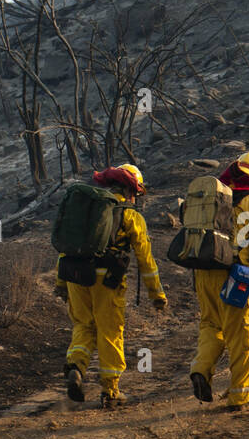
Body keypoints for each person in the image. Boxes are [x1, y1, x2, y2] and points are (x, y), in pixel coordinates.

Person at [55, 163, 167, 408]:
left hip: (75, 274)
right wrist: (156, 294)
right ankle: (110, 391)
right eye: (136, 193)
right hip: (107, 280)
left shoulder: (88, 209)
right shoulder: (131, 216)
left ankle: (75, 366)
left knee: (84, 326)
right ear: (130, 190)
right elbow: (145, 260)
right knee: (110, 332)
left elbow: (68, 245)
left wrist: (60, 282)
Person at [189, 151, 249, 411]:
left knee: (211, 324)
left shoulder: (214, 199)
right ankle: (240, 395)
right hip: (235, 276)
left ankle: (200, 369)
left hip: (203, 272)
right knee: (242, 333)